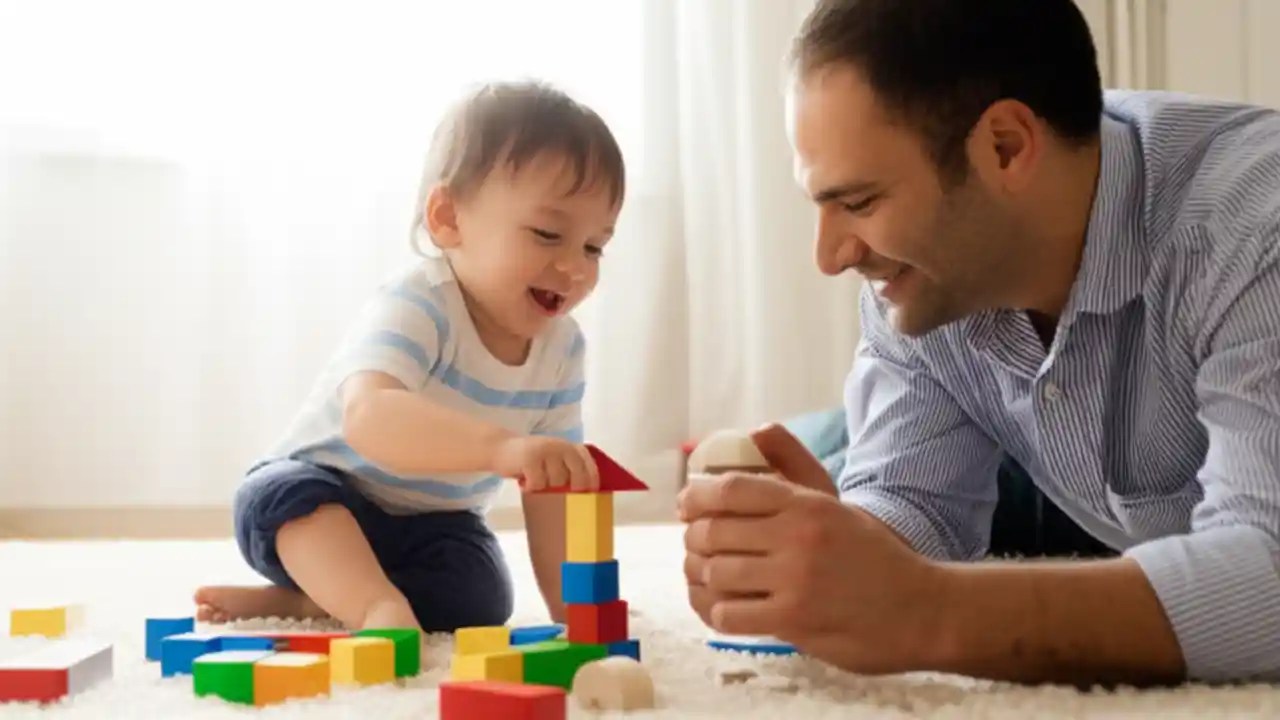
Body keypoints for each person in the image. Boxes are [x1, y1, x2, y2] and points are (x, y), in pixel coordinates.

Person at [680, 0, 1280, 686]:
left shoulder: (1253, 228)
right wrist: (830, 561)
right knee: (802, 453)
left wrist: (927, 611)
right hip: (1062, 465)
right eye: (820, 203)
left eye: (860, 202)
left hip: (1101, 480)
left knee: (827, 441)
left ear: (1006, 146)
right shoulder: (927, 279)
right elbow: (912, 508)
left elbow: (1268, 575)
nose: (830, 255)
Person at [195, 80, 625, 633]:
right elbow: (370, 417)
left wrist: (575, 613)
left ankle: (312, 604)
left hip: (433, 525)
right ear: (447, 218)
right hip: (331, 494)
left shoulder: (563, 350)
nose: (575, 267)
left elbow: (553, 491)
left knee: (482, 595)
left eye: (594, 246)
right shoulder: (420, 304)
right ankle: (373, 606)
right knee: (281, 496)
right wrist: (502, 447)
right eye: (547, 234)